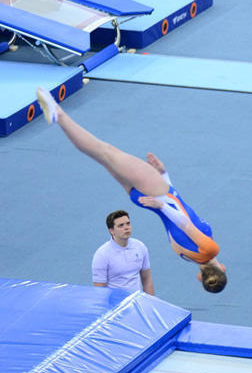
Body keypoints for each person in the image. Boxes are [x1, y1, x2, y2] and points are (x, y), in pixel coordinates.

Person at [36, 87, 227, 294]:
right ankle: (59, 117)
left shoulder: (209, 250)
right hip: (150, 196)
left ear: (222, 268)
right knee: (101, 156)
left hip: (158, 194)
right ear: (200, 276)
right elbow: (182, 214)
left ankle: (59, 115)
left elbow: (184, 221)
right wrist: (164, 175)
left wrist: (161, 200)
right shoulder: (187, 255)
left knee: (105, 151)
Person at [92, 209, 155, 294]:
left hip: (136, 303)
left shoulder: (140, 247)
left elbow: (147, 280)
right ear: (111, 231)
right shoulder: (102, 255)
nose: (126, 228)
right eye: (121, 225)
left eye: (128, 224)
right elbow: (99, 290)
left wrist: (151, 304)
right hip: (115, 305)